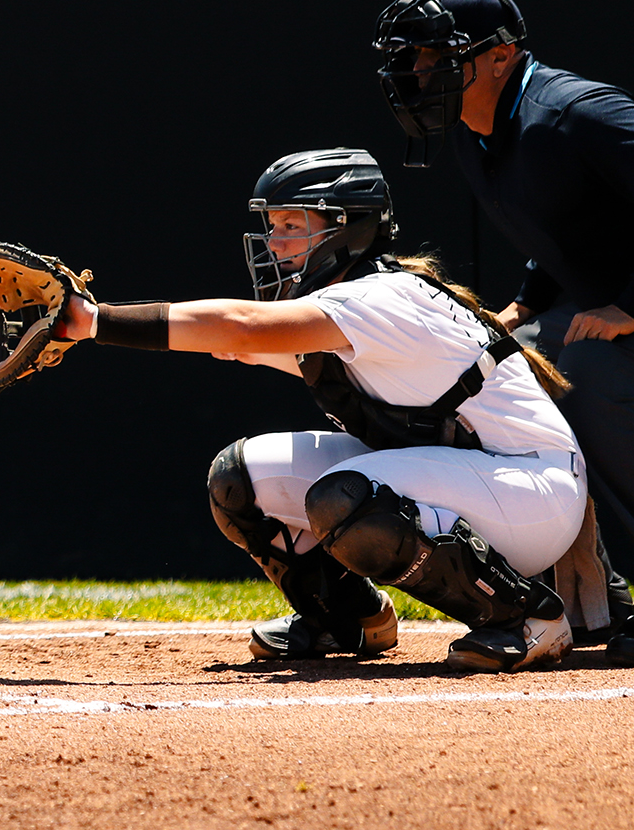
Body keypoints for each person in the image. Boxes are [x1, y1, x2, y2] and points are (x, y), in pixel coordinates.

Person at [55, 149, 586, 671]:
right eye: (273, 225)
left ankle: (527, 617)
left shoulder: (381, 297)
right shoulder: (349, 299)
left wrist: (92, 321)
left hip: (533, 493)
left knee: (346, 496)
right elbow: (237, 341)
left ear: (345, 227)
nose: (274, 241)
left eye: (292, 225)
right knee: (239, 479)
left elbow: (240, 327)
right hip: (481, 477)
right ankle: (348, 618)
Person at [374, 0, 634, 661]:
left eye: (437, 55)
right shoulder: (478, 130)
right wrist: (525, 305)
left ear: (501, 56)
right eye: (414, 56)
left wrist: (629, 308)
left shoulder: (578, 113)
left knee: (587, 375)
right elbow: (568, 225)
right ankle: (588, 600)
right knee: (492, 370)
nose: (419, 71)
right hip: (597, 308)